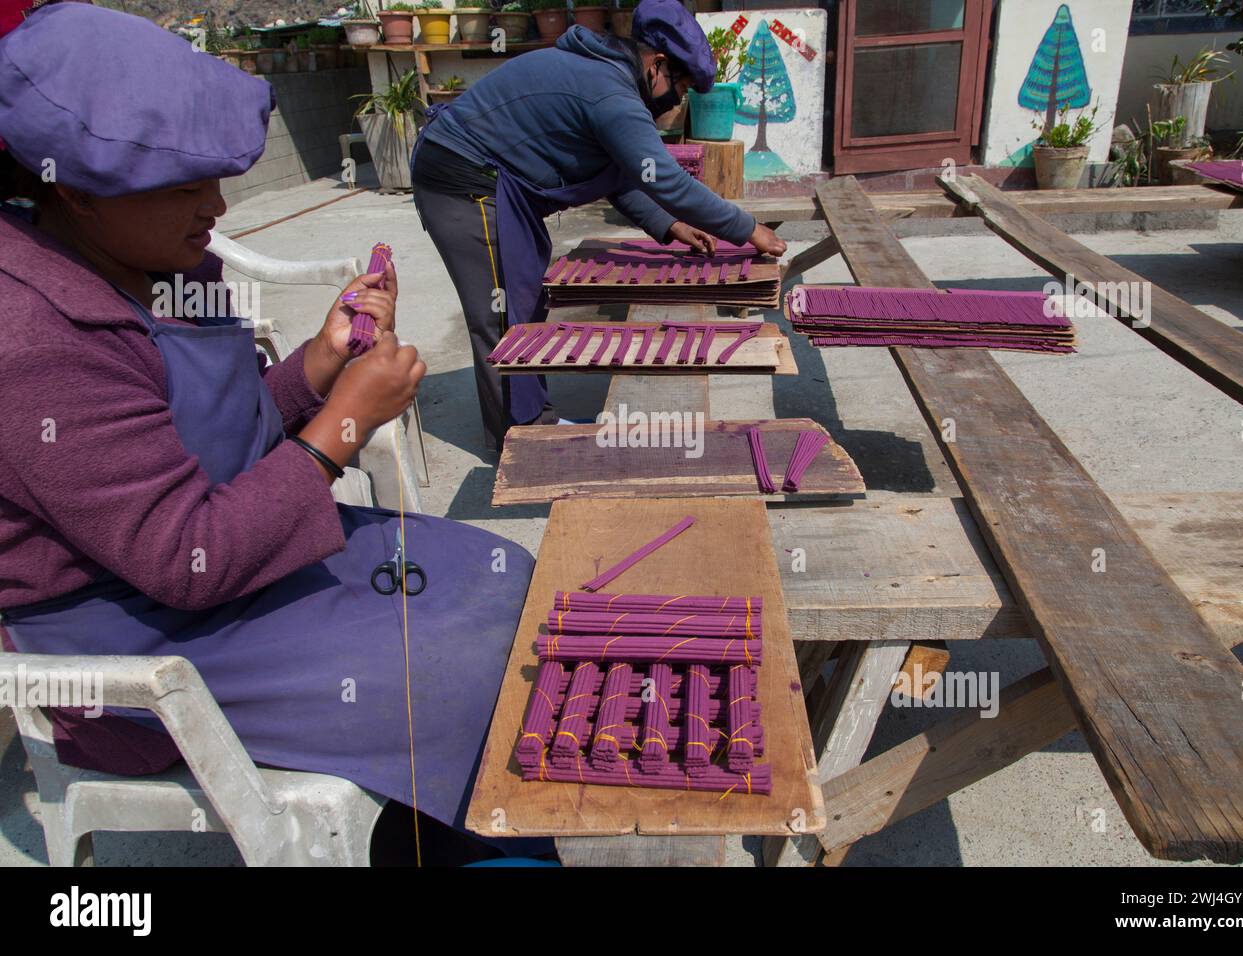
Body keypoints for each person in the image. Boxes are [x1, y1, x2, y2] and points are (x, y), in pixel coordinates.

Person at [0, 3, 539, 864]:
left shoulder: (162, 265)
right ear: (73, 187)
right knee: (452, 666)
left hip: (227, 560)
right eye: (185, 188)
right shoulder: (32, 339)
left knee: (501, 575)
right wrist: (346, 423)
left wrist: (324, 364)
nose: (215, 207)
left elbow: (221, 424)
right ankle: (463, 838)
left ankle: (450, 821)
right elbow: (185, 556)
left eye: (217, 179)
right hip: (134, 635)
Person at [411, 0, 788, 452]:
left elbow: (619, 173)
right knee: (501, 312)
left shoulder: (610, 77)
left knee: (523, 301)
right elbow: (664, 178)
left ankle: (531, 418)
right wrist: (749, 229)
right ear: (657, 64)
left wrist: (668, 225)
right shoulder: (610, 93)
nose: (678, 98)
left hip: (488, 178)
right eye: (680, 85)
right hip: (463, 180)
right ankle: (523, 441)